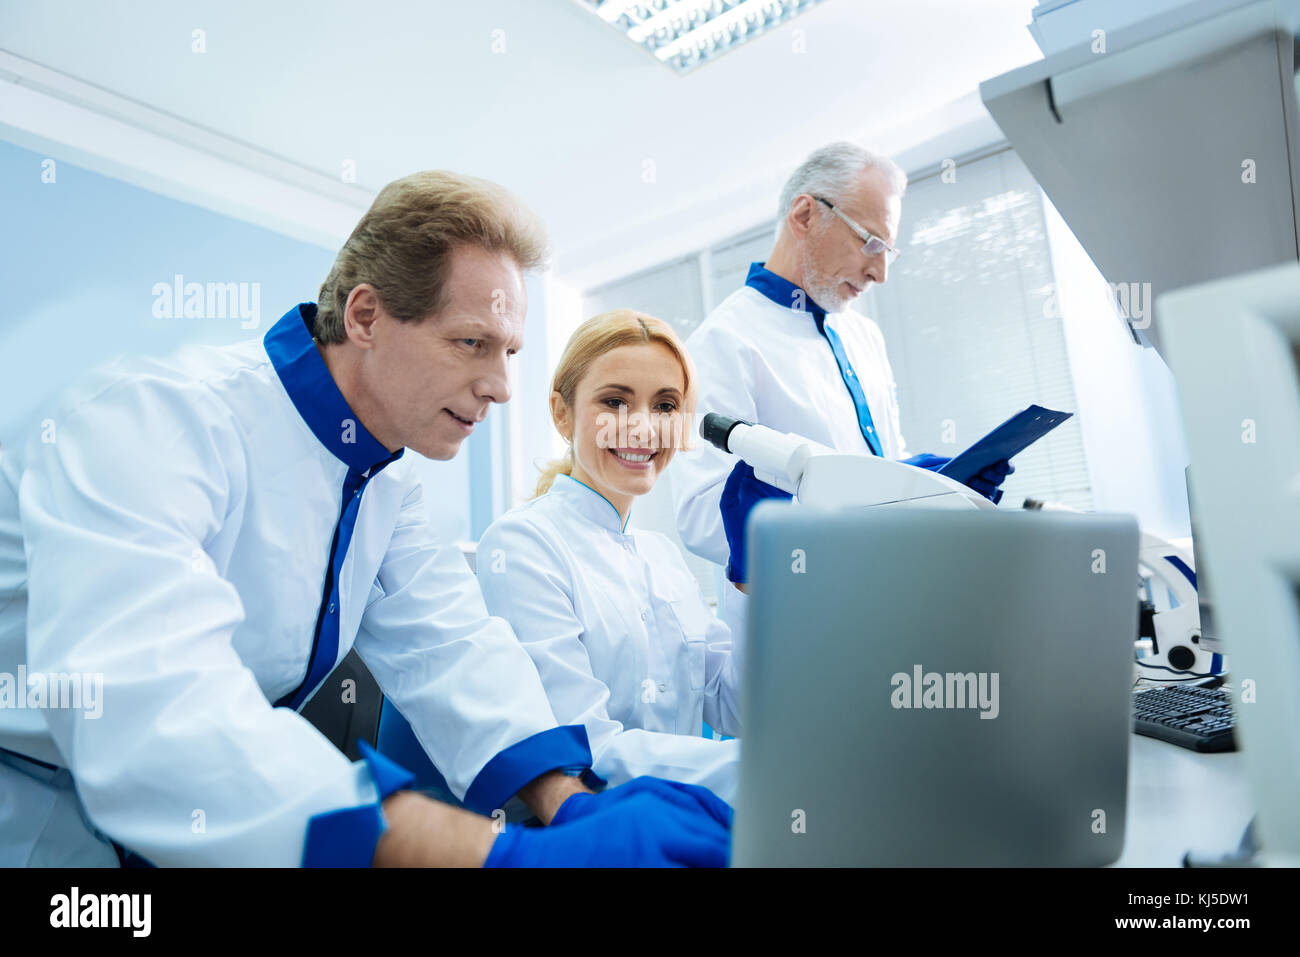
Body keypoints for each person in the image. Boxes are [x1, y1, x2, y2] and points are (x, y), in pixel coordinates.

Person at [0, 170, 730, 867]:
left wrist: (566, 801)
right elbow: (149, 705)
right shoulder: (159, 418)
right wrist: (498, 854)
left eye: (509, 351)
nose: (502, 386)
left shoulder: (382, 477)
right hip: (37, 808)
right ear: (366, 316)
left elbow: (449, 646)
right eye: (471, 343)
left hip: (206, 806)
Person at [672, 142, 1013, 628]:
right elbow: (704, 518)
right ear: (806, 215)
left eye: (888, 251)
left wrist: (933, 487)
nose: (881, 271)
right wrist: (844, 511)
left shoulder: (862, 335)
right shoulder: (721, 344)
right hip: (804, 628)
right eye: (871, 243)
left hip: (896, 608)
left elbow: (879, 473)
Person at [472, 311, 742, 801]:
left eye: (665, 405)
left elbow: (735, 706)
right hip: (606, 832)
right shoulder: (522, 545)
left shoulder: (663, 556)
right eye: (615, 401)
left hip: (689, 816)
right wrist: (764, 771)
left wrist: (748, 574)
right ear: (561, 412)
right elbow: (588, 750)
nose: (642, 427)